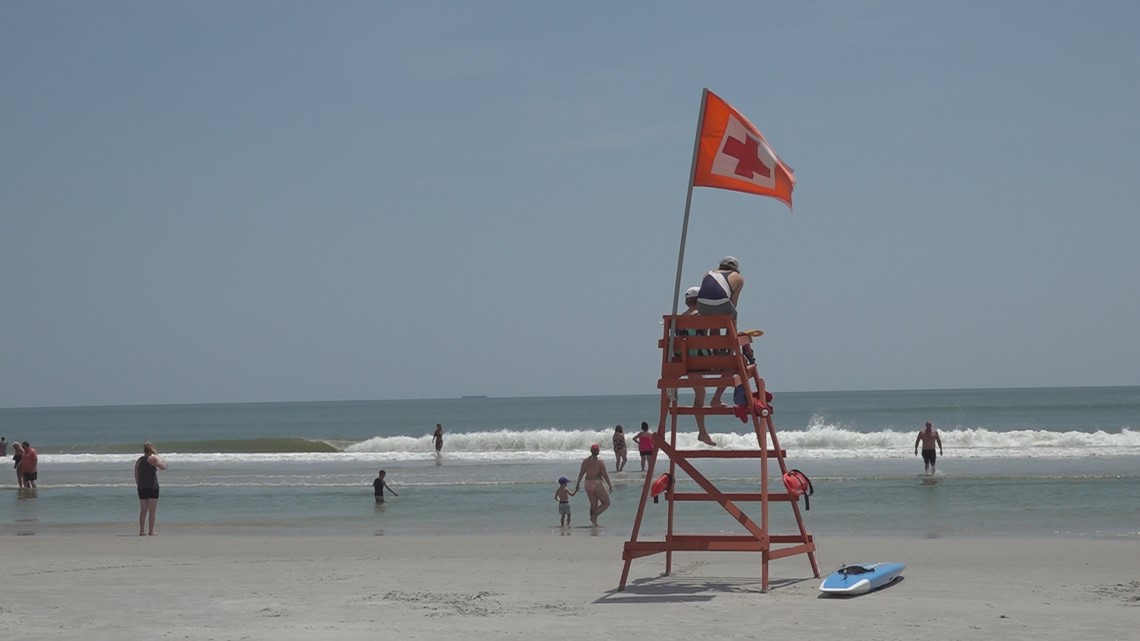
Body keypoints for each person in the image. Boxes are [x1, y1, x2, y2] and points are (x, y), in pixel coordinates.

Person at [695, 256, 745, 413]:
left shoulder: (707, 273)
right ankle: (728, 345)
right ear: (735, 268)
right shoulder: (738, 277)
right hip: (721, 304)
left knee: (713, 320)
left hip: (701, 306)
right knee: (732, 314)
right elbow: (733, 302)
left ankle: (715, 349)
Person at [680, 286, 717, 445]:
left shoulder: (679, 318)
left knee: (700, 392)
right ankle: (717, 399)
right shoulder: (702, 316)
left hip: (685, 362)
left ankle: (702, 432)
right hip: (702, 361)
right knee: (732, 368)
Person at [134, 442, 167, 535]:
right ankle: (151, 530)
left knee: (143, 510)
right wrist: (164, 462)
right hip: (152, 486)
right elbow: (162, 467)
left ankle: (141, 530)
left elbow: (136, 474)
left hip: (142, 487)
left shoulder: (139, 460)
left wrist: (138, 485)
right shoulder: (153, 458)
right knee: (152, 511)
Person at [574, 444, 612, 526]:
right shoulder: (600, 462)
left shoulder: (585, 461)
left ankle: (594, 523)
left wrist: (577, 484)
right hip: (597, 483)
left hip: (587, 483)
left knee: (593, 505)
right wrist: (610, 485)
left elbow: (581, 473)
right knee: (606, 503)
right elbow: (604, 474)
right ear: (598, 451)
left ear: (591, 451)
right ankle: (594, 515)